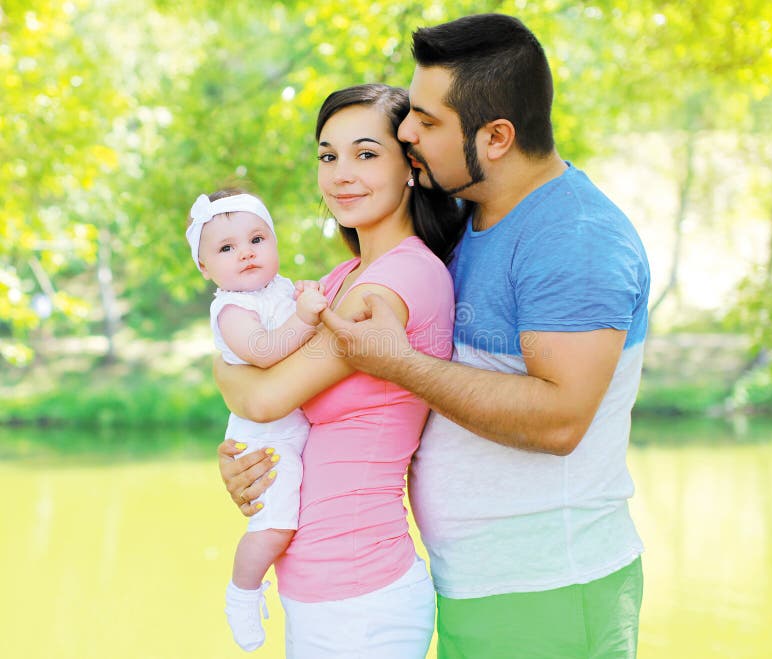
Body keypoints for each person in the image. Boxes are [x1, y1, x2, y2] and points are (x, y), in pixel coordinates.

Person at [220, 13, 651, 659]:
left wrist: (399, 364)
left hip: (551, 588)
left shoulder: (575, 239)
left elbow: (561, 420)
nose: (409, 134)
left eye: (427, 121)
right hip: (468, 583)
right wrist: (258, 459)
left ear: (497, 136)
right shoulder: (467, 228)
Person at [213, 83, 466, 658]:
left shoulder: (390, 286)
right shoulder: (339, 280)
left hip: (362, 596)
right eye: (329, 156)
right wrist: (243, 463)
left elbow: (263, 396)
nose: (341, 173)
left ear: (411, 166)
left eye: (366, 153)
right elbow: (262, 401)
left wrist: (222, 367)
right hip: (318, 591)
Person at [185, 188, 328, 651]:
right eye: (226, 248)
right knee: (274, 527)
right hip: (266, 442)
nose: (245, 253)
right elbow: (264, 353)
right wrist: (308, 318)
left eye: (256, 239)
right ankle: (242, 593)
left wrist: (305, 294)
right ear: (205, 267)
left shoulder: (282, 288)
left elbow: (299, 304)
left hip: (293, 429)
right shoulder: (232, 309)